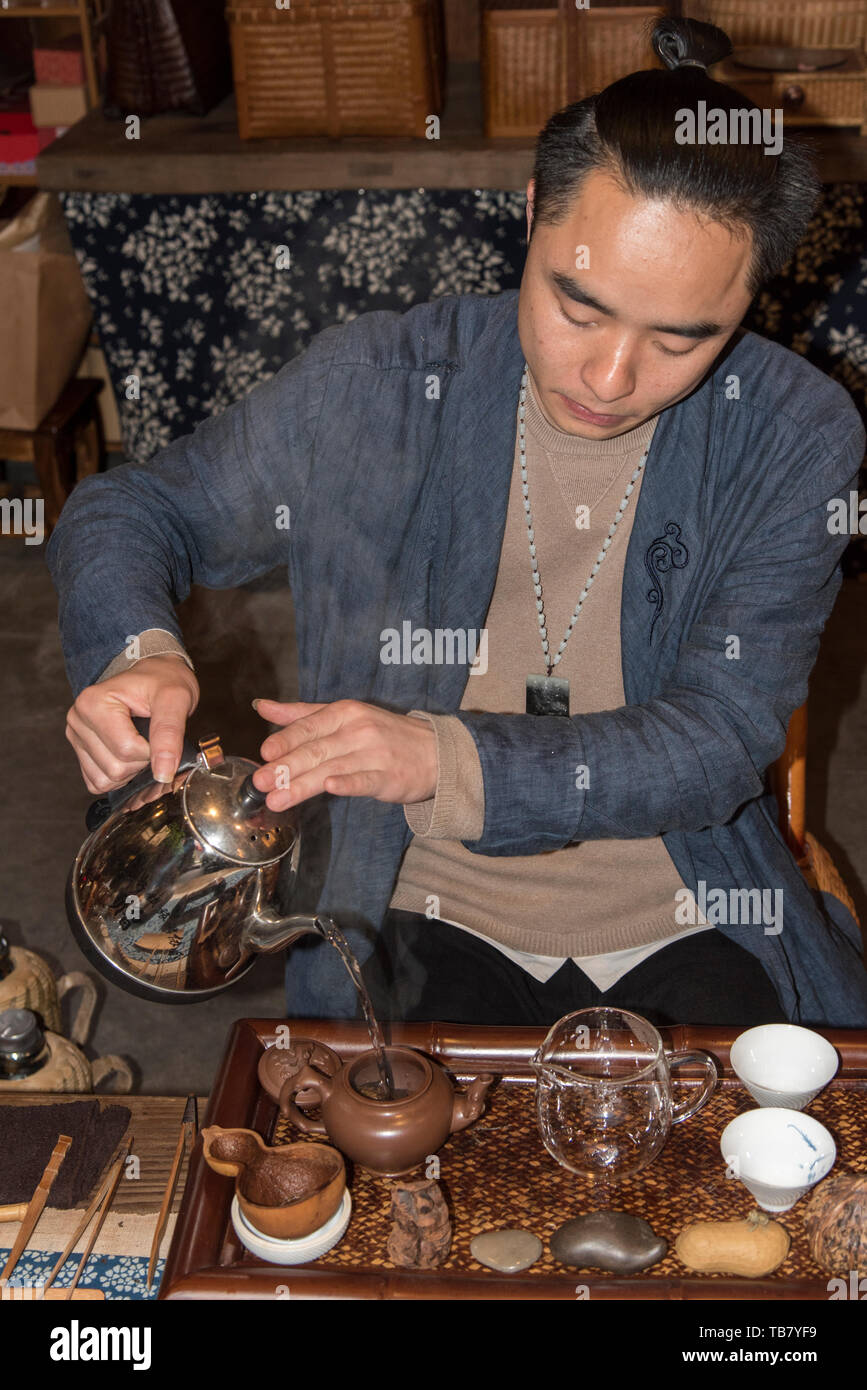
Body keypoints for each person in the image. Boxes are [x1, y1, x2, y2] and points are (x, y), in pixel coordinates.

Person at [46, 16, 867, 1028]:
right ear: (532, 213)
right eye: (579, 307)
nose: (609, 378)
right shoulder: (380, 388)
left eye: (680, 339)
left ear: (747, 302)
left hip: (682, 904)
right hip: (417, 908)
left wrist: (445, 760)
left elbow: (720, 738)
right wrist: (138, 647)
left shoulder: (791, 434)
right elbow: (136, 505)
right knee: (386, 1149)